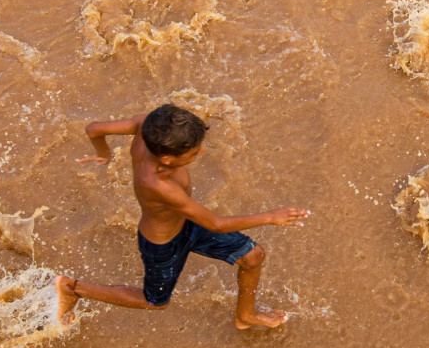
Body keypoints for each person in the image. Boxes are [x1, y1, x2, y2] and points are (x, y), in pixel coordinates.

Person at [55, 104, 309, 330]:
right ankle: (73, 288)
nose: (198, 155)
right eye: (192, 153)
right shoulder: (158, 184)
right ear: (166, 159)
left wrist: (103, 153)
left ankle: (245, 315)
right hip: (163, 243)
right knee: (154, 302)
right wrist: (270, 216)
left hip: (188, 222)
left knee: (253, 256)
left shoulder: (148, 125)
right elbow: (215, 223)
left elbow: (94, 129)